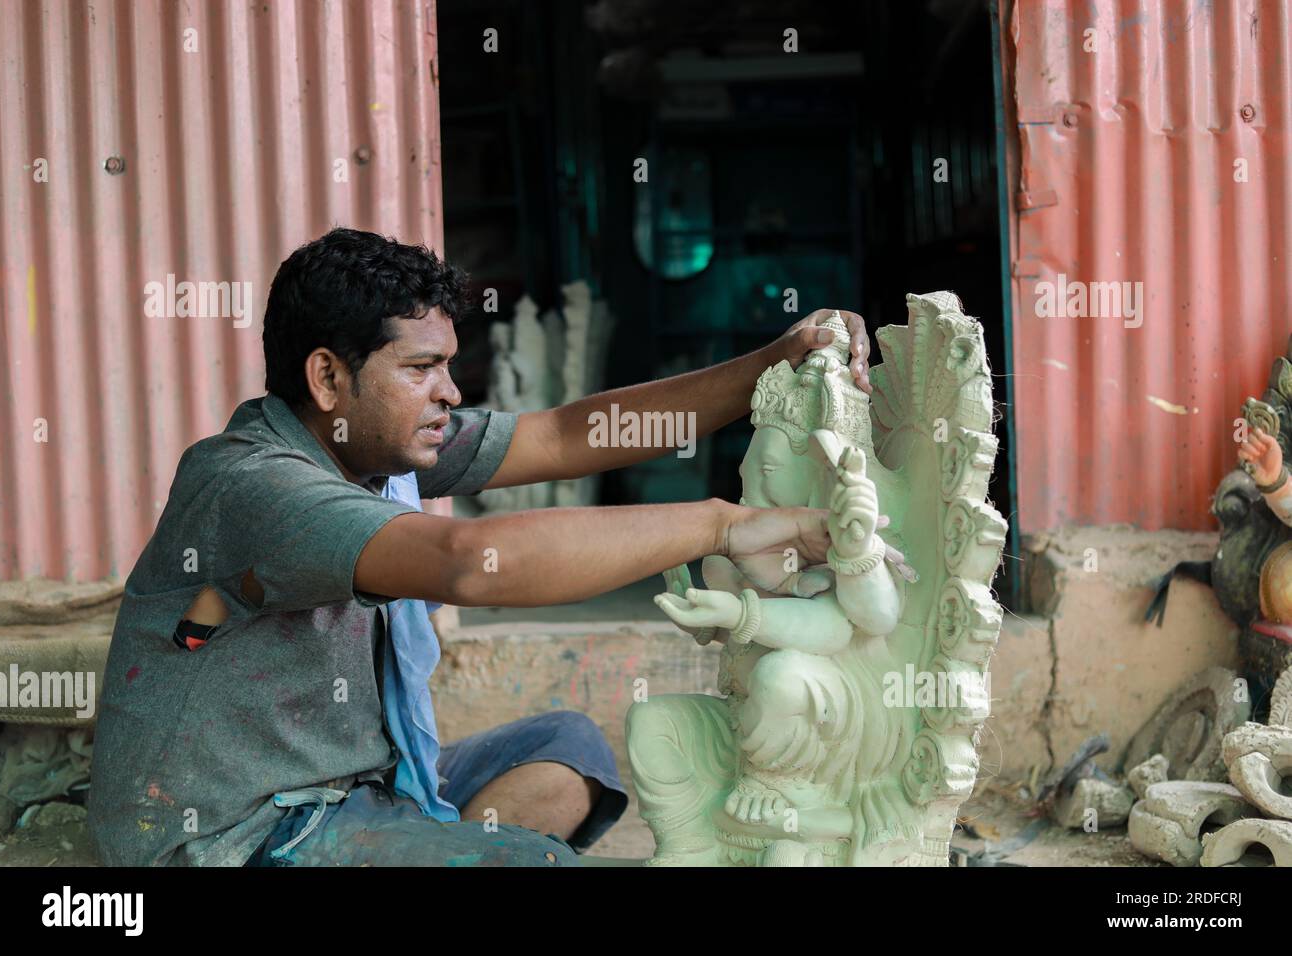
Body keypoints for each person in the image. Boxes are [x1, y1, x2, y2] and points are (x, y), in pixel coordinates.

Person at [88, 227, 871, 867]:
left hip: (352, 785)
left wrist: (770, 365)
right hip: (239, 831)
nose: (452, 393)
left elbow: (564, 436)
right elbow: (468, 561)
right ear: (328, 378)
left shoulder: (367, 450)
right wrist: (722, 526)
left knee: (569, 747)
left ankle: (429, 838)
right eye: (422, 369)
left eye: (449, 367)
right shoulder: (257, 483)